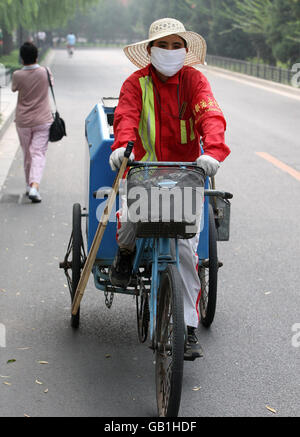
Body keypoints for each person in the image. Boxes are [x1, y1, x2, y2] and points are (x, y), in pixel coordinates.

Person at [108, 18, 230, 358]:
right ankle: (126, 254)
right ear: (150, 50)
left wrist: (213, 152)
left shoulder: (194, 81)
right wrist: (123, 147)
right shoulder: (136, 84)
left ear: (186, 50)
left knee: (188, 250)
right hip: (144, 171)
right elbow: (126, 117)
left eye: (177, 45)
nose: (171, 51)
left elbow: (210, 114)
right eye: (164, 45)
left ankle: (188, 328)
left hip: (185, 174)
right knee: (129, 218)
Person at [11, 42, 53, 203]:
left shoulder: (17, 75)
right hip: (43, 120)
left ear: (22, 58)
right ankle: (34, 186)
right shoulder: (45, 72)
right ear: (36, 56)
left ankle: (30, 186)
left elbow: (14, 89)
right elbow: (51, 84)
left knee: (27, 154)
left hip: (23, 121)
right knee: (38, 153)